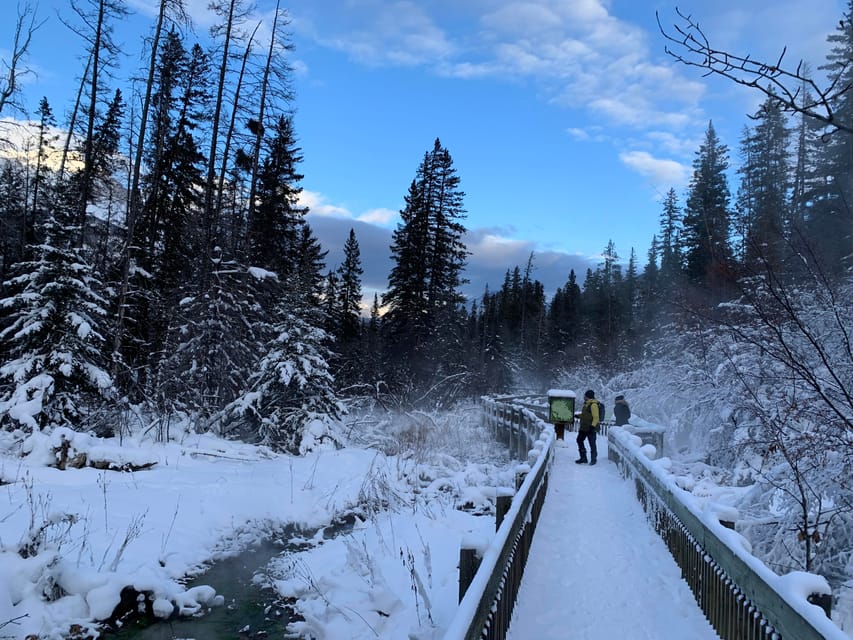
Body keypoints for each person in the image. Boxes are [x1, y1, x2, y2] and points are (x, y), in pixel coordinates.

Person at [576, 389, 599, 465]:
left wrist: (592, 426)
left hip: (590, 428)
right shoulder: (586, 404)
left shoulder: (593, 405)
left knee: (592, 444)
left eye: (585, 396)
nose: (584, 397)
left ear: (588, 396)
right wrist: (578, 416)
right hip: (584, 427)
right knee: (579, 440)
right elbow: (585, 415)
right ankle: (583, 458)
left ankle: (593, 459)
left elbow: (596, 417)